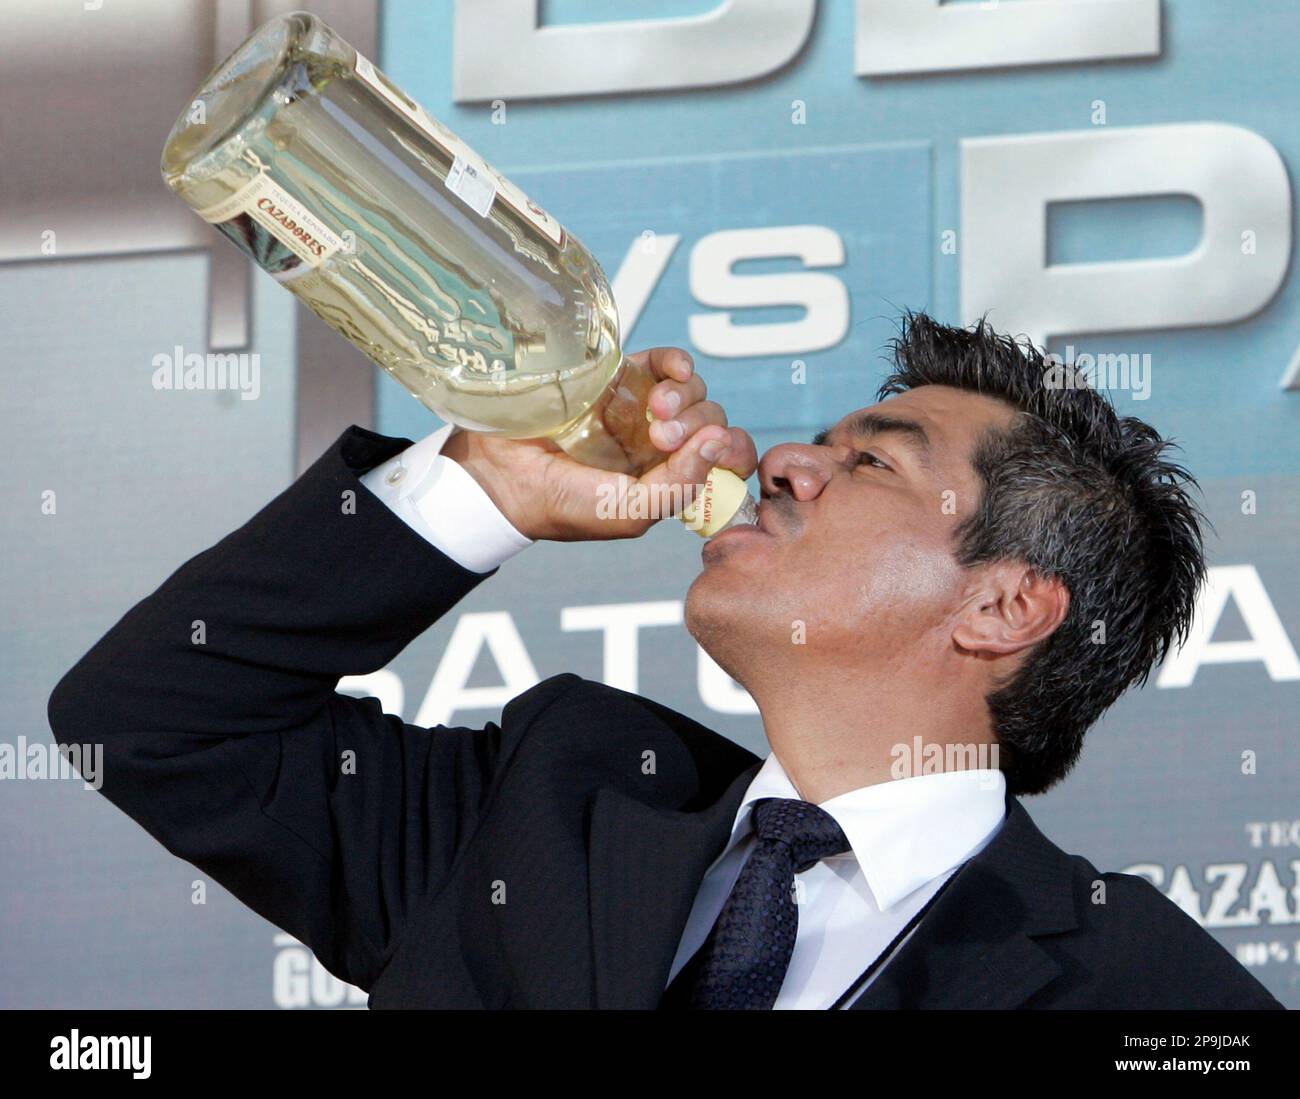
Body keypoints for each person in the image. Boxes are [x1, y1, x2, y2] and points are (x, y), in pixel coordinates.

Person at [48, 312, 1283, 1009]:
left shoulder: (1144, 989)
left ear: (1007, 606)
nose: (785, 461)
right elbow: (156, 717)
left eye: (872, 461)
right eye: (817, 438)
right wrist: (488, 487)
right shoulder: (549, 805)